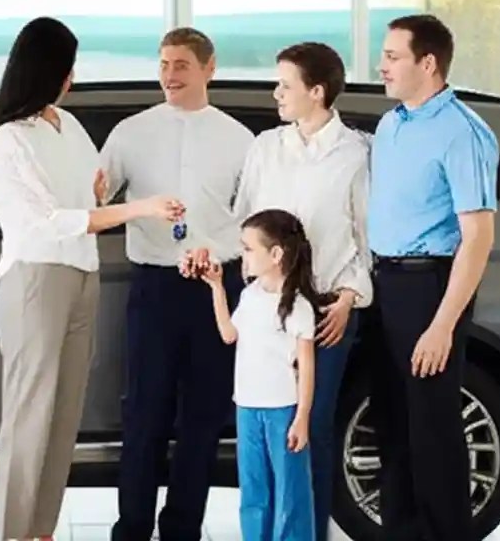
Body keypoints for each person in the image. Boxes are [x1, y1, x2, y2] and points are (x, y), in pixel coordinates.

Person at [0, 16, 186, 541]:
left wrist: (101, 192)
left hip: (82, 273)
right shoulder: (8, 139)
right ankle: (14, 533)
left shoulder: (68, 126)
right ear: (45, 70)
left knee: (63, 412)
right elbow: (47, 220)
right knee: (29, 414)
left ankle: (41, 530)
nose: (71, 79)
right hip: (36, 278)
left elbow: (89, 196)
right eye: (66, 68)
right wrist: (139, 208)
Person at [182, 41, 371, 539]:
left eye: (285, 85)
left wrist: (349, 298)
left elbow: (366, 237)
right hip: (264, 312)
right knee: (264, 442)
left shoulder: (356, 154)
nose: (276, 94)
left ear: (317, 91)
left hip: (325, 312)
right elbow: (239, 224)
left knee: (311, 431)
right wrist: (205, 250)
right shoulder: (266, 147)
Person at [101, 27, 254, 541]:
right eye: (164, 64)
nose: (170, 75)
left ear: (209, 68)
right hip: (153, 288)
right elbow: (96, 200)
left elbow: (254, 216)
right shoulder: (130, 133)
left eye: (182, 64)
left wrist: (214, 249)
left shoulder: (239, 139)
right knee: (144, 414)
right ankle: (132, 529)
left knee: (203, 419)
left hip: (217, 289)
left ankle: (183, 530)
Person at [367, 14, 498, 541]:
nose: (381, 66)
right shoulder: (390, 125)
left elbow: (478, 237)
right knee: (392, 428)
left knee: (433, 434)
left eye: (392, 56)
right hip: (384, 284)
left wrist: (442, 326)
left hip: (430, 288)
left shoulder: (463, 132)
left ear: (428, 63)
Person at [202, 208, 329, 541]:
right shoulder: (250, 295)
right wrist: (216, 288)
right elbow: (229, 334)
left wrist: (302, 417)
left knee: (290, 491)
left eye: (248, 248)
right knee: (253, 489)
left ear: (275, 255)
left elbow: (307, 367)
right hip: (247, 407)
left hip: (282, 410)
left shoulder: (299, 307)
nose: (242, 255)